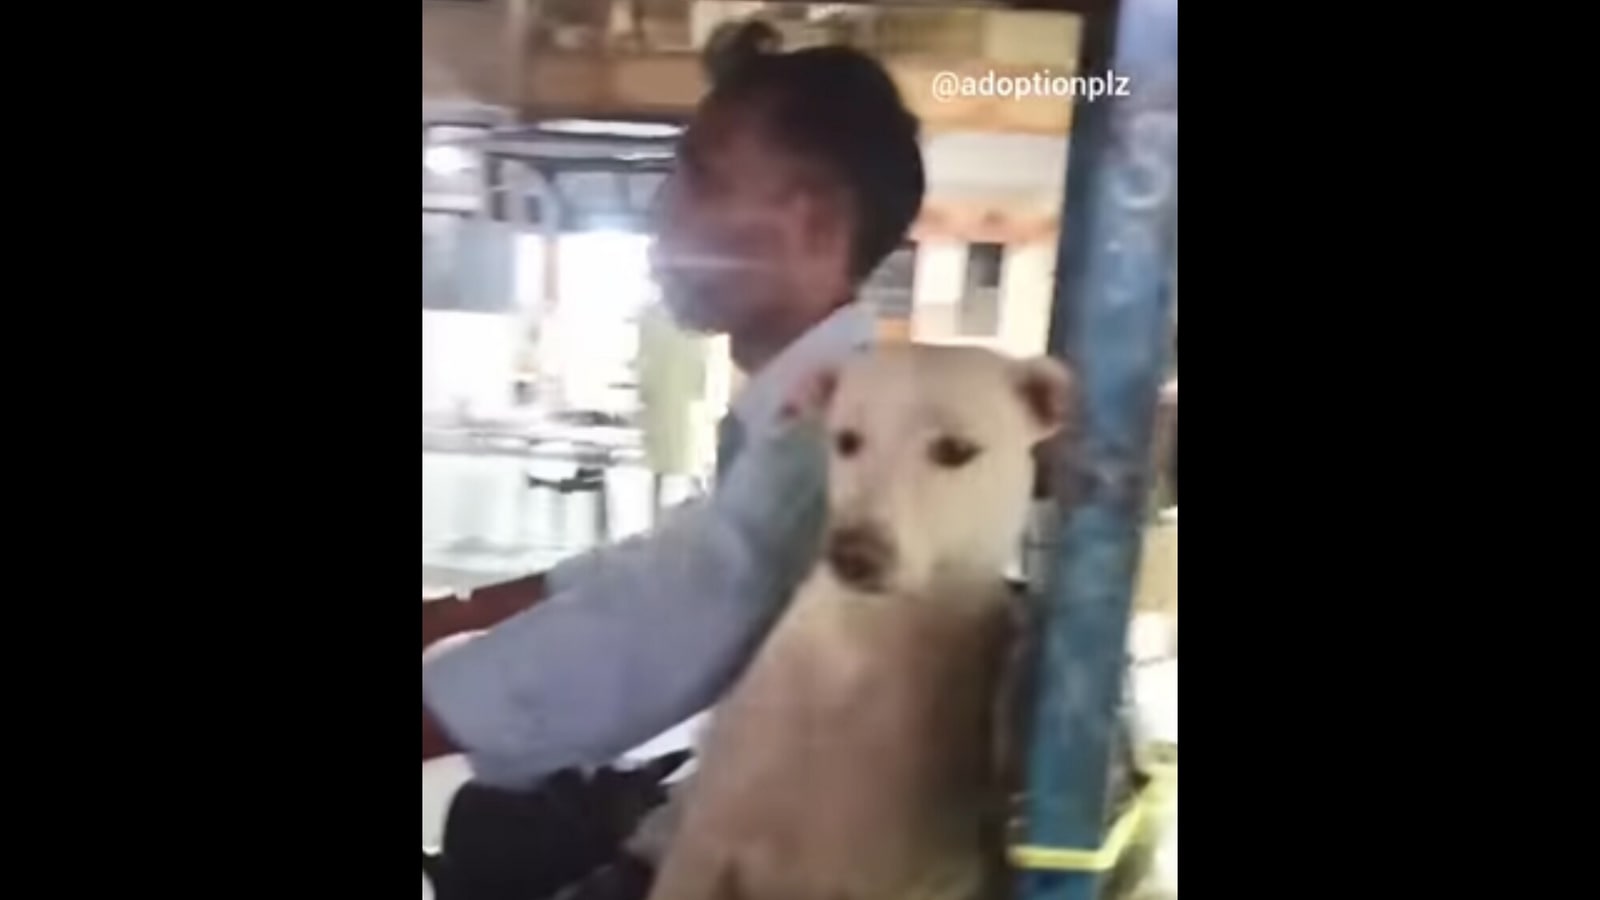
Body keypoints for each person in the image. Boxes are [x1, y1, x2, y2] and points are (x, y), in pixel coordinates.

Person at [422, 26, 927, 791]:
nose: (663, 217)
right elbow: (671, 555)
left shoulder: (843, 435)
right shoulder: (797, 413)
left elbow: (657, 622)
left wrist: (445, 697)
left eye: (701, 181)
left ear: (816, 225)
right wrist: (459, 612)